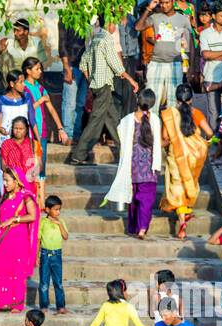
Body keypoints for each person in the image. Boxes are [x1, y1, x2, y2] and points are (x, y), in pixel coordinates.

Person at [68, 16, 139, 166]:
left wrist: (90, 80)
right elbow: (117, 66)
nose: (114, 26)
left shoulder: (95, 39)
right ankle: (79, 155)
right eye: (113, 23)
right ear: (107, 24)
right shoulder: (107, 40)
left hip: (96, 86)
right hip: (104, 86)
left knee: (113, 119)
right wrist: (131, 80)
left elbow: (83, 64)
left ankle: (126, 153)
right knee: (95, 121)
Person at [107, 90, 162, 240]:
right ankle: (142, 228)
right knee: (146, 200)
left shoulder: (126, 120)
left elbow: (121, 137)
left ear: (138, 101)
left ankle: (133, 227)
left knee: (134, 200)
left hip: (132, 168)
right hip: (149, 169)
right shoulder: (155, 119)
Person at [0, 167, 38, 312]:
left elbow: (32, 216)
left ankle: (16, 304)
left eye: (7, 180)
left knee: (15, 270)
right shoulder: (5, 196)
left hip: (18, 239)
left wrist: (15, 219)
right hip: (2, 237)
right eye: (4, 180)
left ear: (17, 181)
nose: (5, 184)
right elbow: (3, 215)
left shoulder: (25, 196)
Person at [162, 85, 212, 240]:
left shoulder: (170, 115)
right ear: (191, 99)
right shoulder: (196, 113)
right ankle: (185, 211)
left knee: (178, 186)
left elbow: (165, 137)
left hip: (177, 156)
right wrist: (204, 144)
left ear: (176, 99)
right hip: (193, 157)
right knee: (189, 183)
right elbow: (209, 133)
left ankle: (182, 220)